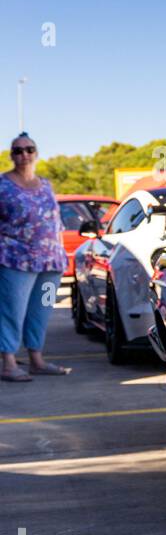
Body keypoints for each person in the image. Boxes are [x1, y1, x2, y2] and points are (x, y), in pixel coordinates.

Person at [0, 133, 71, 381]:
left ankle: (36, 359)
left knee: (42, 308)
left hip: (52, 263)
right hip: (16, 261)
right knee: (12, 311)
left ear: (36, 153)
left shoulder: (46, 184)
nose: (24, 155)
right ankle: (8, 362)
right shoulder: (3, 185)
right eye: (17, 151)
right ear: (11, 155)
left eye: (29, 149)